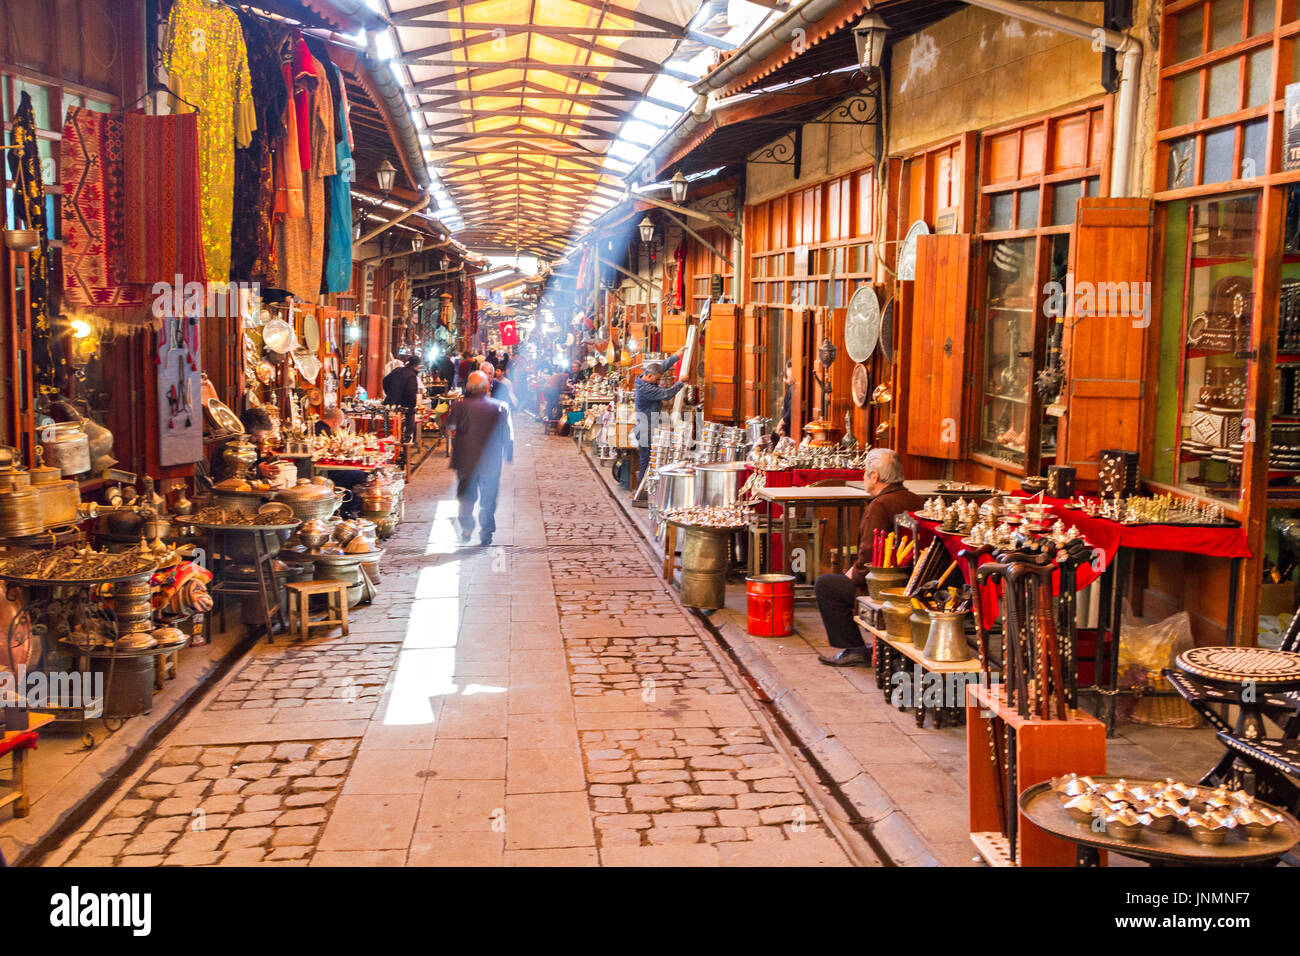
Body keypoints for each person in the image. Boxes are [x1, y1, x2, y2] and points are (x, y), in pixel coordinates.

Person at [815, 448, 925, 666]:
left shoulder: (879, 505)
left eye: (865, 473)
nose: (864, 477)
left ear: (874, 476)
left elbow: (869, 558)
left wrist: (853, 575)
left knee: (826, 585)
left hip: (885, 587)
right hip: (916, 582)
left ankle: (854, 648)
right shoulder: (917, 500)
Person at [446, 370, 513, 546]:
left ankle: (467, 528)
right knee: (488, 499)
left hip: (465, 461)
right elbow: (506, 433)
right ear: (487, 387)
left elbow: (450, 425)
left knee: (466, 498)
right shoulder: (498, 407)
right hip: (490, 462)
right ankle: (486, 533)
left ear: (468, 386)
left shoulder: (460, 406)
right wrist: (508, 453)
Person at [634, 347, 689, 488]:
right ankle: (641, 490)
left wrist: (676, 356)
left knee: (649, 458)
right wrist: (681, 383)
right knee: (646, 460)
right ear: (650, 376)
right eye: (657, 379)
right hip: (645, 427)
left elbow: (661, 368)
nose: (658, 381)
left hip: (648, 425)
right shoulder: (645, 389)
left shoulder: (646, 378)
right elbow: (666, 394)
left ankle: (646, 488)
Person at [314, 406, 365, 517]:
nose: (340, 427)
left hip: (324, 469)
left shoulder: (317, 426)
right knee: (360, 475)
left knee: (357, 473)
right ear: (335, 421)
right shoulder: (325, 432)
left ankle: (348, 508)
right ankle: (348, 510)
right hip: (323, 473)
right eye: (340, 424)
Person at [382, 354, 422, 441]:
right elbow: (411, 392)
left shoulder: (397, 370)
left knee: (390, 425)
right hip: (405, 405)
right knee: (406, 428)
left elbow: (385, 380)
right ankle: (404, 446)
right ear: (417, 365)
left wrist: (389, 393)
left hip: (391, 402)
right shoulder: (411, 375)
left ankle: (389, 440)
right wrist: (412, 406)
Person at [776, 360, 794, 439]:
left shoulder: (794, 389)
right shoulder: (792, 388)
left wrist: (782, 422)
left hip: (792, 429)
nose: (787, 372)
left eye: (787, 369)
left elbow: (792, 410)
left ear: (791, 370)